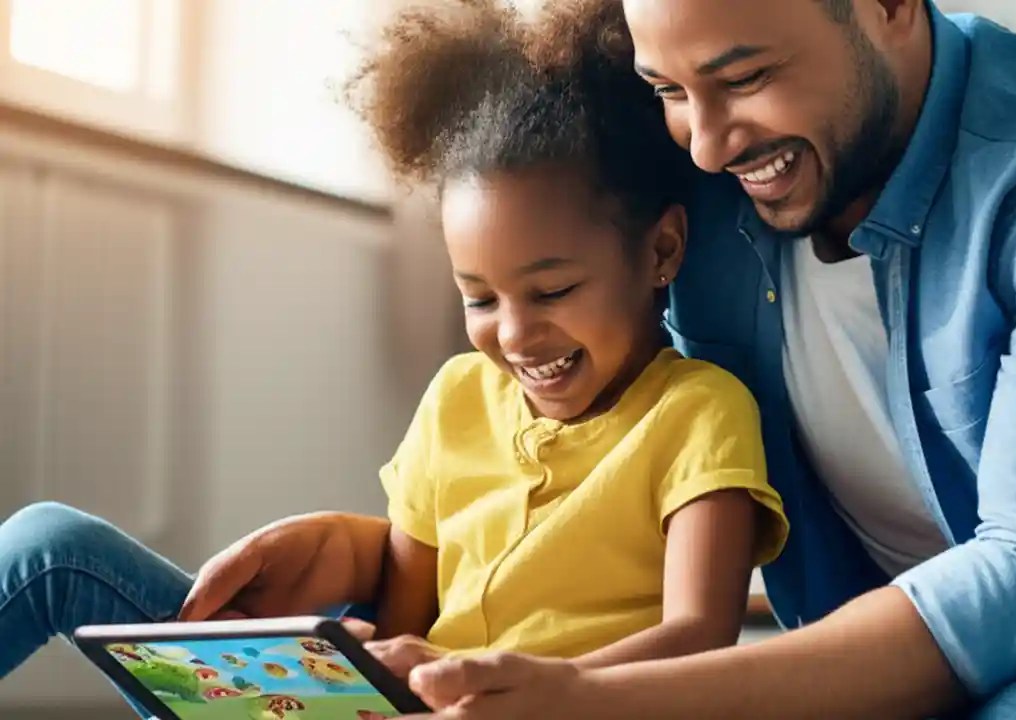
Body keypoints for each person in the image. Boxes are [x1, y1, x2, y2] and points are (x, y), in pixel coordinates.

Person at [386, 0, 1016, 718]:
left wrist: (593, 696)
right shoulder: (706, 181)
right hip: (874, 675)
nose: (705, 142)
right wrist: (364, 553)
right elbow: (611, 423)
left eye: (745, 76)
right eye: (667, 88)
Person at [0, 1, 789, 714]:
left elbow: (698, 641)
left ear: (661, 249)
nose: (513, 336)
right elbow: (399, 623)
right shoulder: (458, 397)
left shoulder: (700, 412)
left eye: (551, 292)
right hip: (389, 705)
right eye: (480, 299)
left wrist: (549, 689)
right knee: (51, 545)